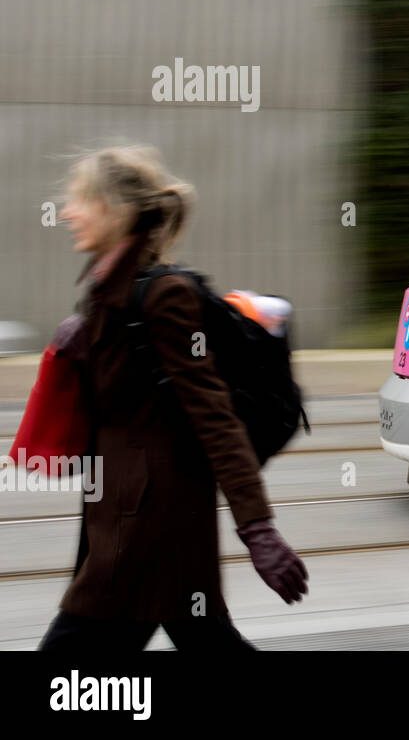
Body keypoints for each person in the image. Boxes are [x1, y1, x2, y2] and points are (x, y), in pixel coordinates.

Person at [38, 145, 308, 651]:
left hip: (145, 533)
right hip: (131, 523)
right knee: (205, 640)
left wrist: (258, 529)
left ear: (115, 210)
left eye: (79, 201)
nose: (68, 213)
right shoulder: (105, 295)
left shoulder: (162, 298)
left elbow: (215, 417)